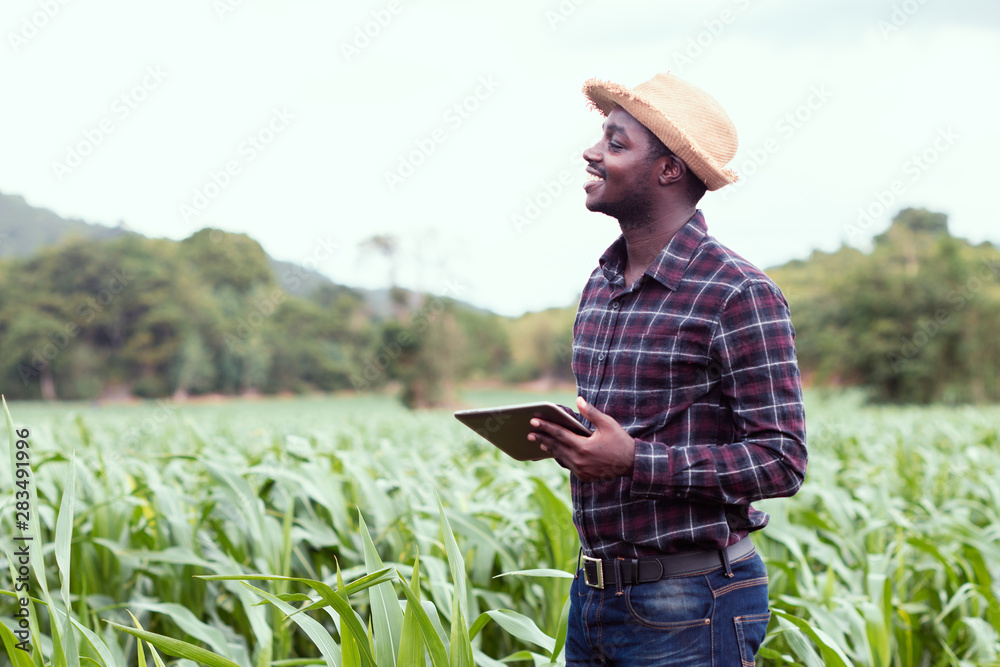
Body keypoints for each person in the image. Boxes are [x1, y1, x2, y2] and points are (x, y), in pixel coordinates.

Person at [526, 72, 808, 666]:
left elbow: (781, 460)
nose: (592, 153)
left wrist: (632, 459)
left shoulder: (737, 293)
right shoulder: (600, 286)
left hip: (693, 603)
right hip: (595, 597)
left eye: (616, 143)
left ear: (670, 170)